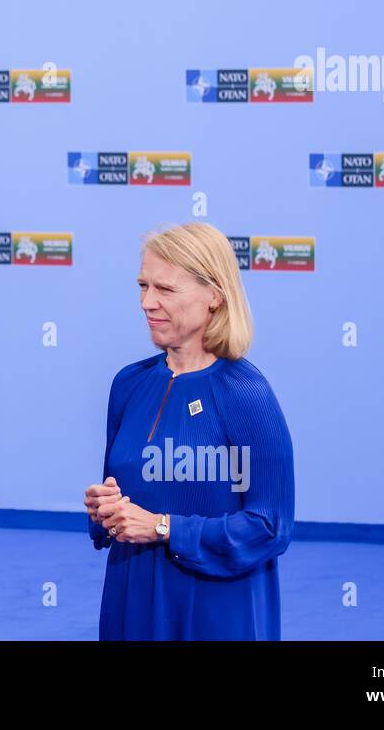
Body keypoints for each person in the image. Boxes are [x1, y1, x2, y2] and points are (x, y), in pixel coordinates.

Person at [84, 222, 295, 639]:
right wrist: (104, 511)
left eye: (165, 289)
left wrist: (164, 527)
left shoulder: (247, 395)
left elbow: (269, 526)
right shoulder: (128, 385)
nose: (147, 302)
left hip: (216, 613)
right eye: (143, 286)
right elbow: (121, 504)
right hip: (131, 605)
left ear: (214, 296)